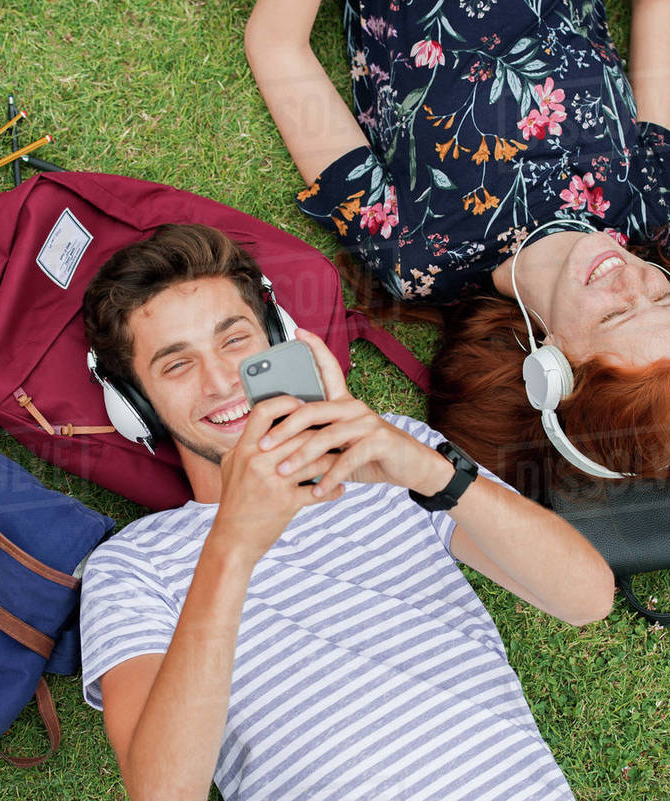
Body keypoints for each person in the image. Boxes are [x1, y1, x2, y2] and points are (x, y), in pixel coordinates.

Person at [77, 223, 614, 801]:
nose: (221, 381)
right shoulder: (129, 567)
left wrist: (429, 471)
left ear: (278, 339)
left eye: (235, 341)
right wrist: (232, 546)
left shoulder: (396, 450)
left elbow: (586, 599)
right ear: (136, 405)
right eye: (176, 365)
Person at [245, 0, 670, 500]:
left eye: (615, 316)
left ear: (552, 368)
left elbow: (278, 48)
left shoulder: (415, 255)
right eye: (663, 298)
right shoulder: (657, 212)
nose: (632, 278)